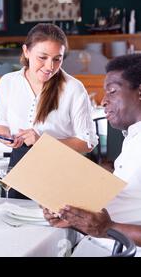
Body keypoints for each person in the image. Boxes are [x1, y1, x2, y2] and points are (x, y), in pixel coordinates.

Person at [44, 54, 141, 249]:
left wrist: (109, 228)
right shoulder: (132, 137)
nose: (104, 101)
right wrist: (76, 219)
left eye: (112, 91)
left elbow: (111, 225)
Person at [0, 23, 98, 199]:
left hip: (60, 169)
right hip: (19, 166)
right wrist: (8, 138)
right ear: (26, 51)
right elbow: (0, 127)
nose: (50, 66)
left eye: (57, 59)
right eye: (42, 57)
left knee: (56, 226)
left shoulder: (73, 88)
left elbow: (87, 143)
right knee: (15, 222)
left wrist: (43, 142)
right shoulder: (8, 82)